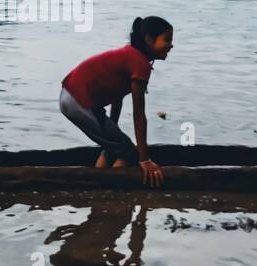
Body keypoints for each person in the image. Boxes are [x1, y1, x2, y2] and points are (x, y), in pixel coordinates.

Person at [59, 16, 173, 187]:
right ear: (149, 40)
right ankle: (107, 190)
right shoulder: (139, 63)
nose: (171, 45)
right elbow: (139, 115)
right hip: (78, 100)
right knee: (129, 153)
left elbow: (117, 96)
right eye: (167, 40)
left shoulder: (131, 56)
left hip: (71, 97)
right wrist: (144, 159)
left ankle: (98, 183)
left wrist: (113, 128)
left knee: (115, 145)